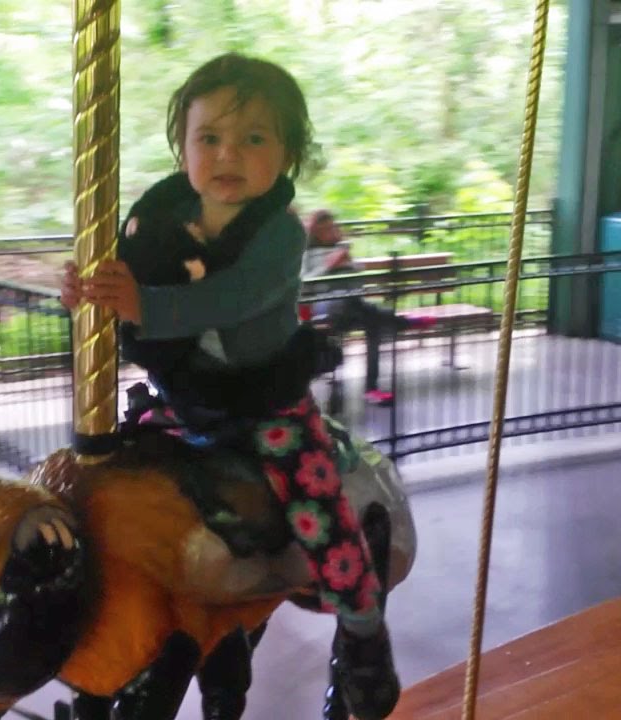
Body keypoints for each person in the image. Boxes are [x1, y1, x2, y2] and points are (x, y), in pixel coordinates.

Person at [60, 53, 398, 719]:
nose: (228, 155)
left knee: (318, 509)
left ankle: (363, 634)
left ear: (288, 152)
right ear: (181, 148)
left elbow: (229, 299)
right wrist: (87, 293)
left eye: (253, 138)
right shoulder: (156, 224)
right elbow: (121, 283)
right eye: (208, 137)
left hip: (263, 402)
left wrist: (144, 306)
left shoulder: (277, 234)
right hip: (185, 402)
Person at [302, 209, 435, 406]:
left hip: (352, 308)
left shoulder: (340, 249)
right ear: (316, 232)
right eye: (327, 228)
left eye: (333, 227)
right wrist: (329, 266)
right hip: (325, 310)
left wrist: (348, 261)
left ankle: (371, 389)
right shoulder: (306, 254)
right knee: (361, 308)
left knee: (373, 325)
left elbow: (359, 276)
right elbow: (304, 283)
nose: (332, 231)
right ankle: (401, 322)